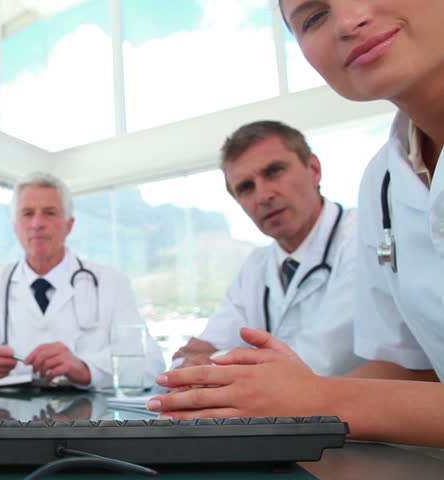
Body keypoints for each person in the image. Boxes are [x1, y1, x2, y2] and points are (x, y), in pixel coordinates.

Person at [148, 0, 444, 448]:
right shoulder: (383, 184)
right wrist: (201, 366)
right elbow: (413, 365)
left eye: (274, 172)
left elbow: (320, 369)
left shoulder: (355, 229)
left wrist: (319, 398)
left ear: (315, 170)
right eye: (314, 18)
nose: (348, 21)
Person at [0, 172, 165, 390]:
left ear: (69, 225)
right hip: (6, 421)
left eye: (50, 212)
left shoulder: (112, 283)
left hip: (90, 423)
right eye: (27, 213)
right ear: (15, 227)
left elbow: (150, 364)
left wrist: (85, 368)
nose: (37, 223)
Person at [172, 121, 363, 376]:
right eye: (246, 187)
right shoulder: (255, 267)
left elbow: (322, 361)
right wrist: (197, 362)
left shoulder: (363, 236)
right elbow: (191, 354)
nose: (263, 195)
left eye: (274, 172)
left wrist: (213, 364)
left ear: (314, 170)